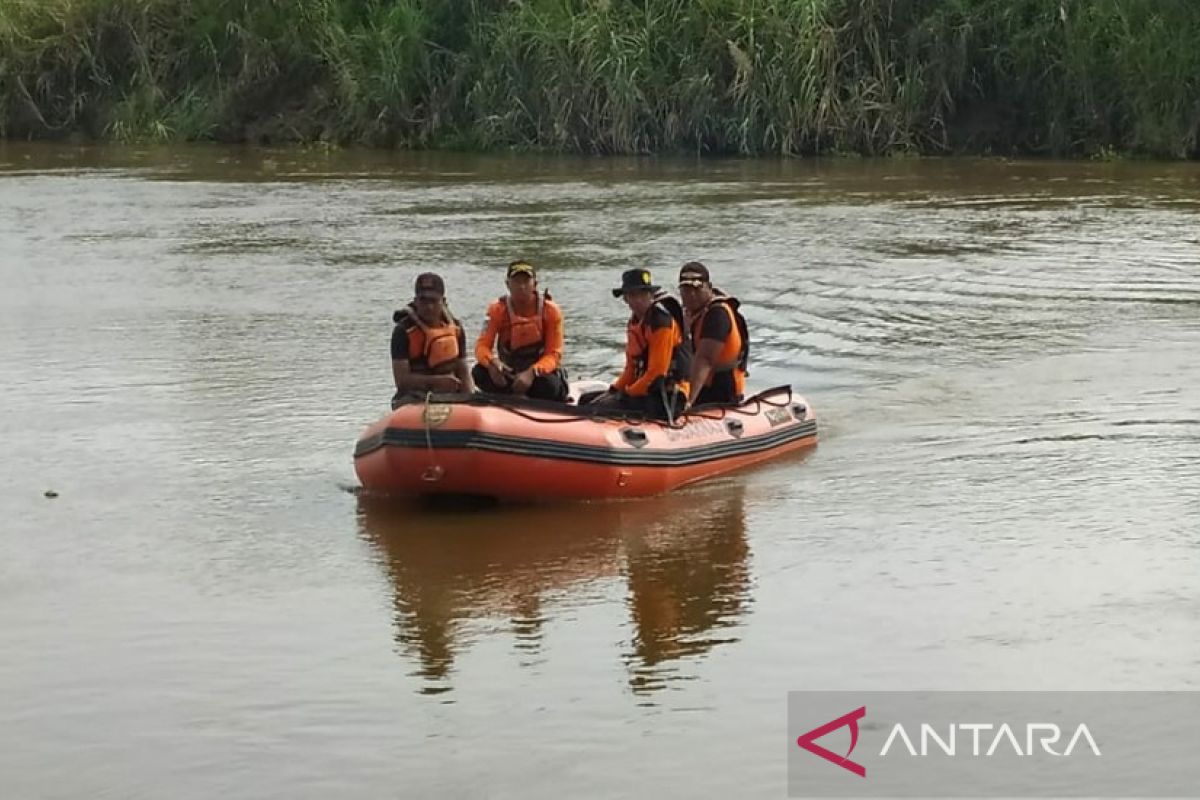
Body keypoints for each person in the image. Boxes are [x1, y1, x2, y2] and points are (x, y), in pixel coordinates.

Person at [591, 268, 690, 421]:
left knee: (603, 408)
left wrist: (627, 394)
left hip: (668, 396)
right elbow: (631, 368)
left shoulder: (661, 323)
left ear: (651, 295)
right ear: (625, 299)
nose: (638, 300)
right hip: (646, 392)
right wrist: (614, 390)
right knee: (588, 401)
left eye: (643, 294)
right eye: (632, 295)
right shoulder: (635, 323)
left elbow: (657, 374)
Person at [472, 260, 568, 402]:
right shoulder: (496, 310)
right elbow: (482, 346)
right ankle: (509, 396)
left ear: (535, 284)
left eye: (526, 281)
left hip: (538, 374)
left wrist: (532, 372)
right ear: (508, 284)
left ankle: (524, 398)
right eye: (516, 281)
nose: (521, 286)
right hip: (509, 372)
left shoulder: (551, 311)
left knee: (550, 386)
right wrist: (492, 363)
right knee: (479, 372)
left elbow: (554, 354)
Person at [390, 272, 474, 407]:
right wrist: (436, 382)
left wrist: (470, 399)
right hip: (414, 396)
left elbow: (463, 369)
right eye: (423, 301)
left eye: (433, 301)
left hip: (451, 394)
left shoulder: (456, 328)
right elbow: (401, 381)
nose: (429, 307)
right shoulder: (403, 331)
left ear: (443, 302)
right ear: (416, 301)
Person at [676, 261, 749, 407]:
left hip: (722, 390)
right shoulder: (690, 313)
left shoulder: (717, 314)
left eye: (697, 289)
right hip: (702, 385)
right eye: (686, 289)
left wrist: (688, 402)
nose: (691, 294)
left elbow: (705, 360)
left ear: (709, 287)